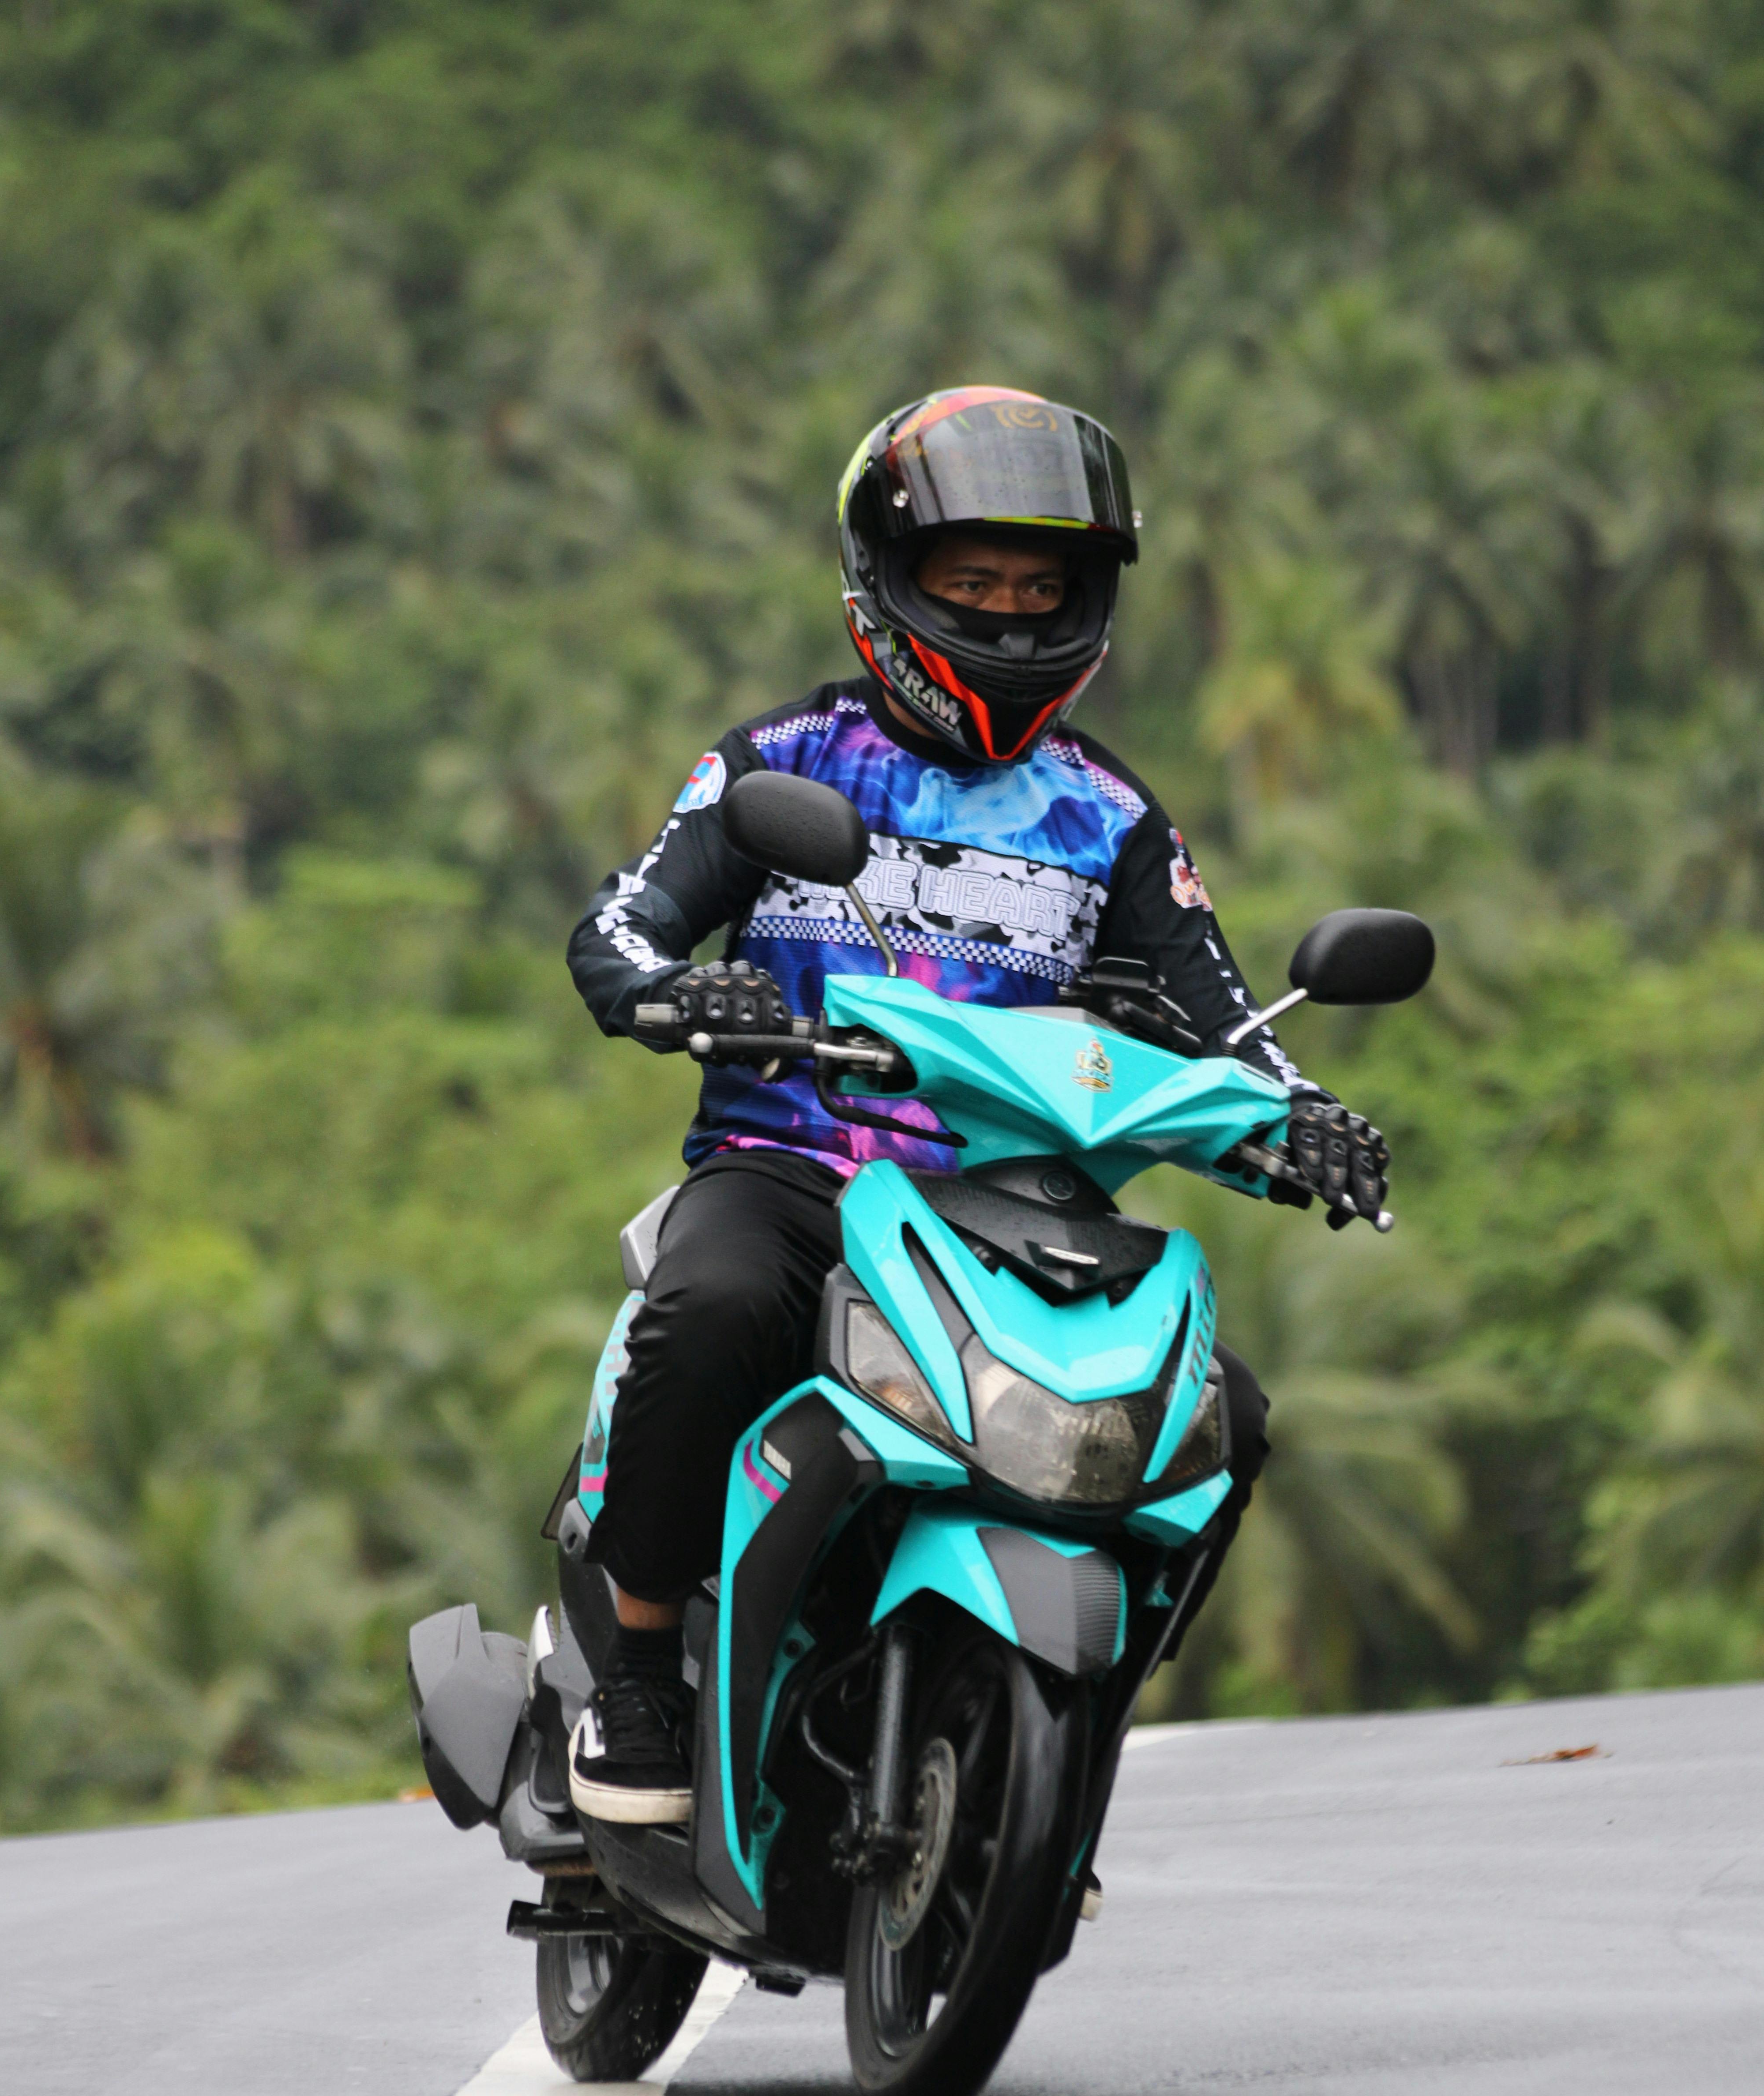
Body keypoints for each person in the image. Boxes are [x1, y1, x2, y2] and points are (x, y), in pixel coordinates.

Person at [566, 385, 1389, 1821]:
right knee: (706, 1316)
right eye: (972, 583)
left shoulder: (1115, 819)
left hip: (1012, 1214)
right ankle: (637, 1674)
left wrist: (1304, 1120)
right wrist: (674, 993)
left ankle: (1068, 1732)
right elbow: (625, 927)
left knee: (1224, 1416)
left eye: (1041, 586)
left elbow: (1225, 1027)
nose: (1011, 616)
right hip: (798, 1173)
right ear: (888, 589)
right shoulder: (783, 764)